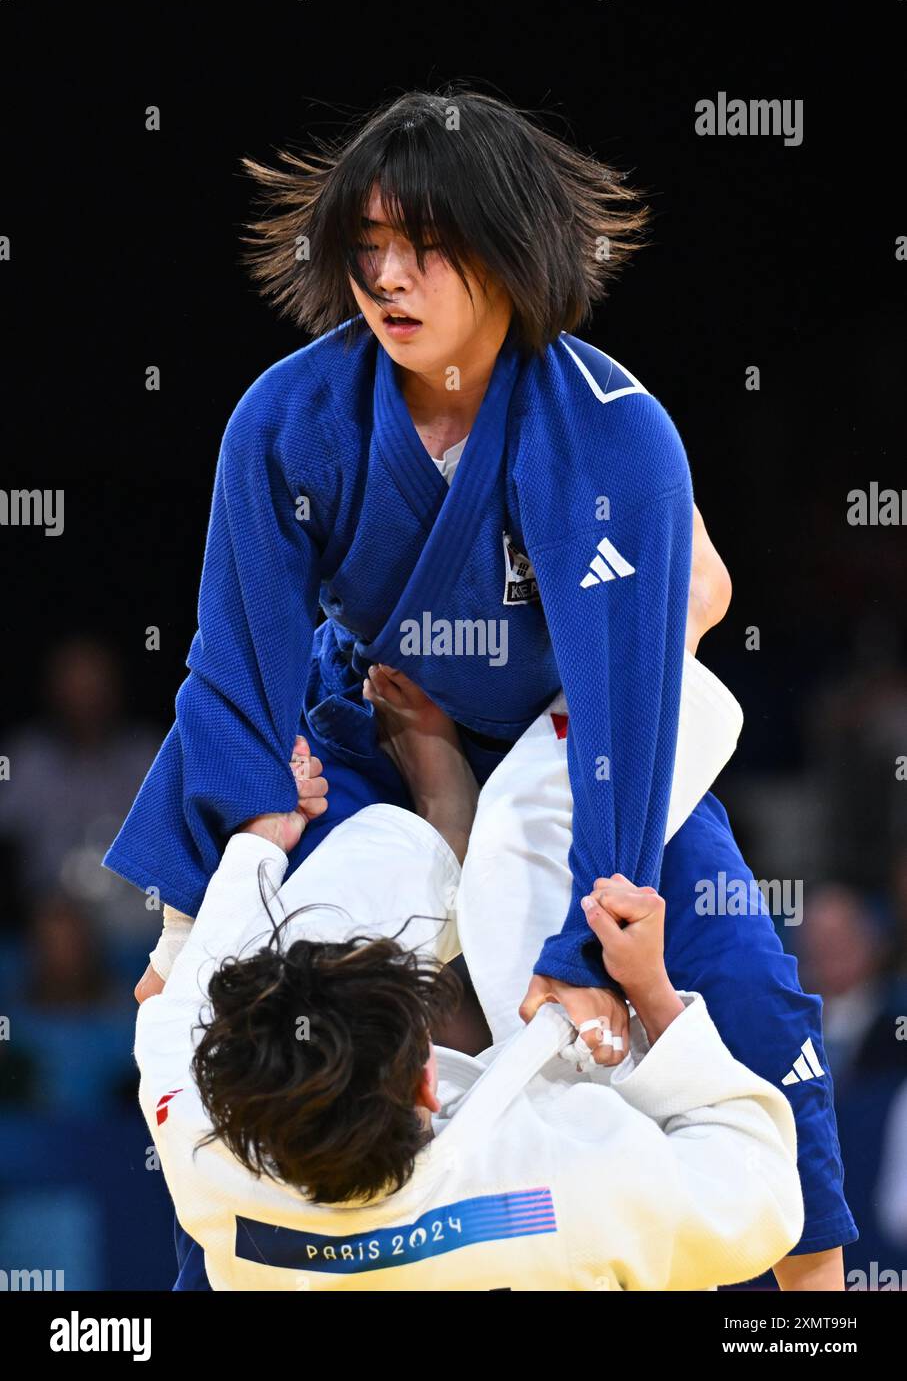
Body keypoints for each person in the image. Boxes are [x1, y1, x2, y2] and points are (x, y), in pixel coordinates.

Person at [111, 86, 855, 1284]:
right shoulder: (288, 418)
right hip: (367, 739)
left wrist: (584, 936)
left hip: (577, 743)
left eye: (427, 249)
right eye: (368, 250)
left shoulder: (611, 432)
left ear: (510, 250)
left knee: (749, 998)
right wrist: (194, 917)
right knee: (265, 1050)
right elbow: (233, 667)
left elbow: (624, 705)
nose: (388, 281)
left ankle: (814, 1304)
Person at [135, 692, 803, 1291]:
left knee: (314, 929)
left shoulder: (210, 1153)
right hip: (549, 1214)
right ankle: (669, 651)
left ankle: (443, 819)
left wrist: (259, 843)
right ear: (428, 1081)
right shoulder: (576, 1182)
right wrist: (649, 991)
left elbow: (181, 1007)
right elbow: (761, 1190)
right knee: (525, 828)